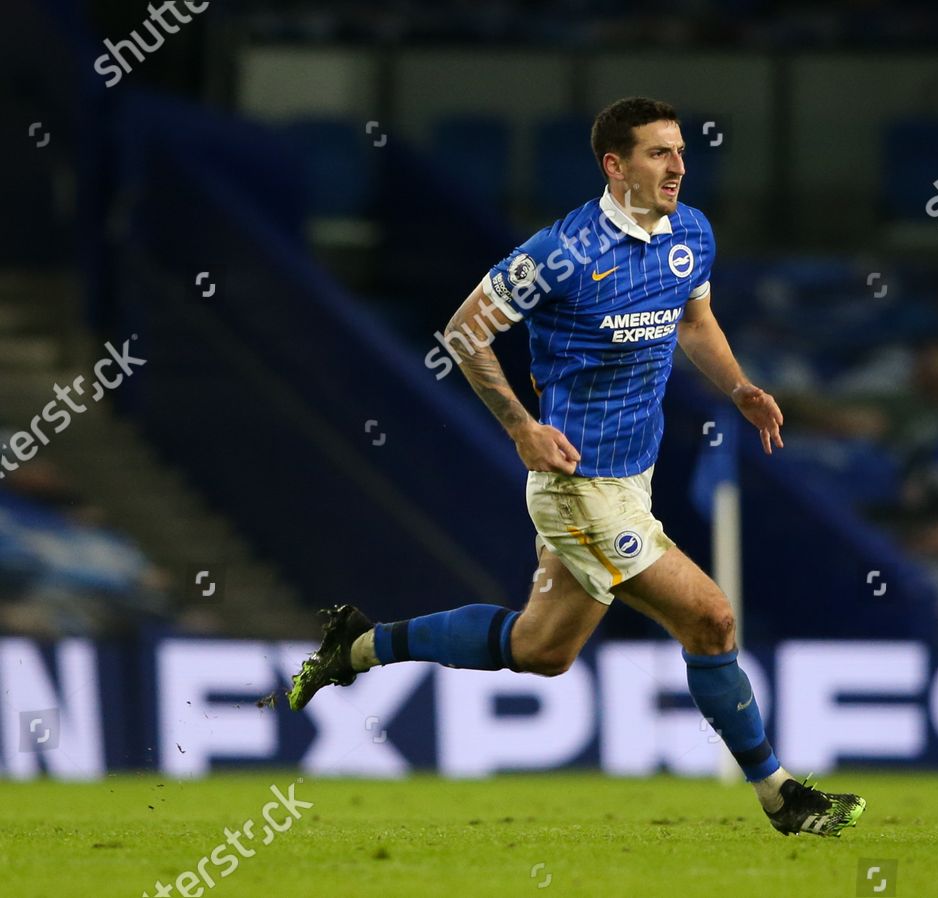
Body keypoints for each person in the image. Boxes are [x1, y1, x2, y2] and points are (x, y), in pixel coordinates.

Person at [285, 97, 865, 837]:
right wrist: (523, 430)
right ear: (614, 165)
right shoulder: (563, 252)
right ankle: (780, 795)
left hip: (634, 479)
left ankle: (358, 644)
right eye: (659, 153)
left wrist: (741, 388)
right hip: (578, 488)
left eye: (681, 152)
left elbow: (694, 320)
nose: (679, 166)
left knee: (542, 650)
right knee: (712, 619)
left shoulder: (690, 234)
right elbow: (465, 332)